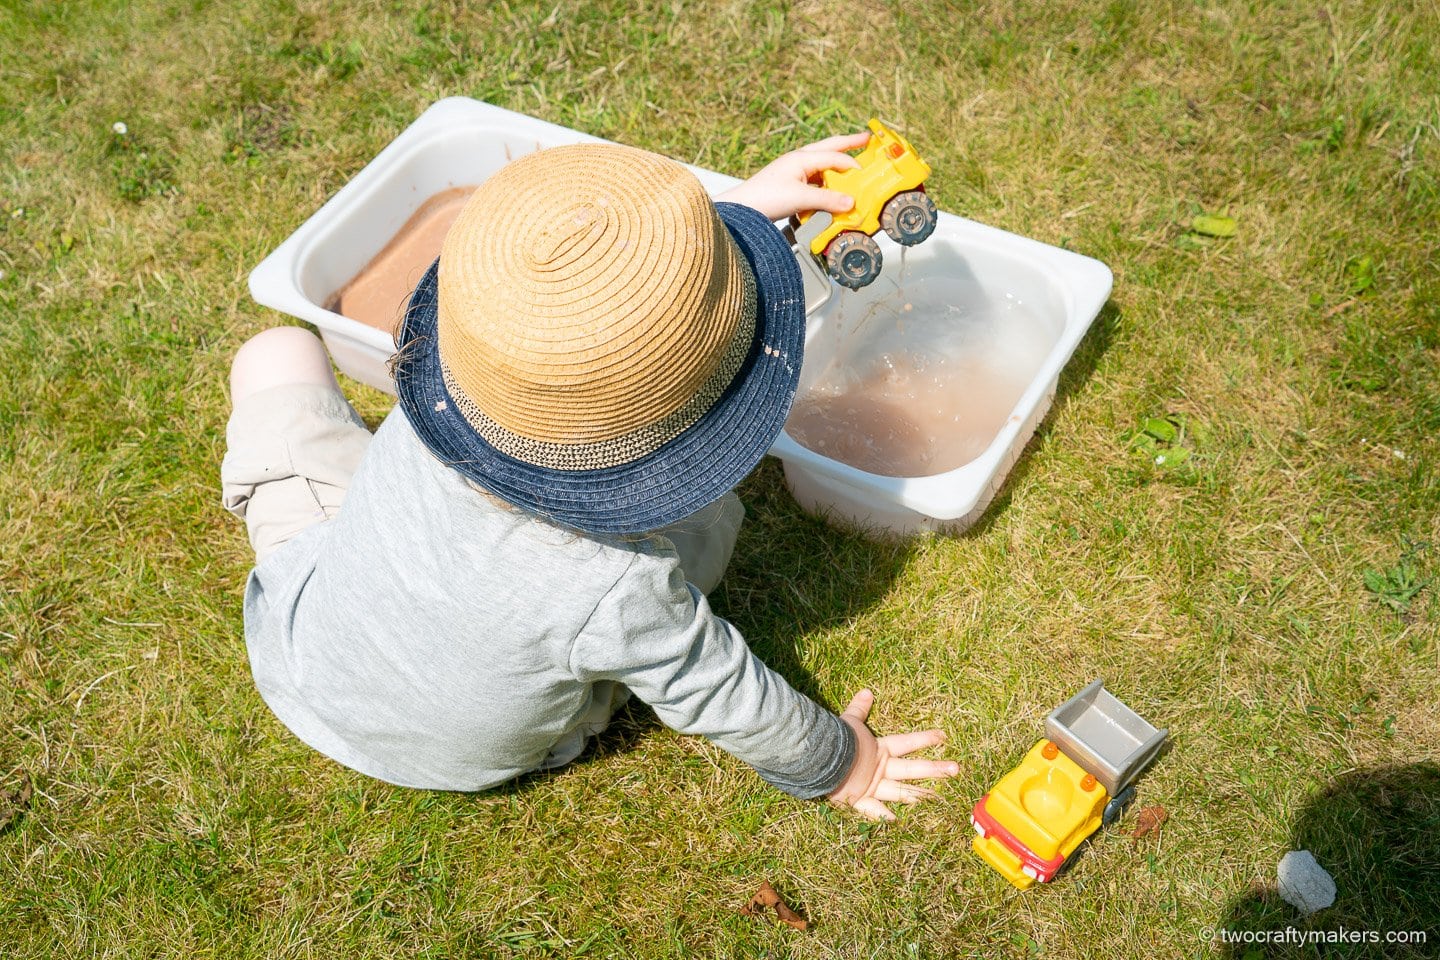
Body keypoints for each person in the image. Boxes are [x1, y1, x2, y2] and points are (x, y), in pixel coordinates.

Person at [221, 133, 958, 820]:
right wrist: (842, 764)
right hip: (453, 750)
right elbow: (722, 690)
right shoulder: (616, 586)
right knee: (706, 533)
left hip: (308, 633)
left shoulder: (467, 374)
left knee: (277, 351)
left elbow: (593, 324)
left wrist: (734, 217)